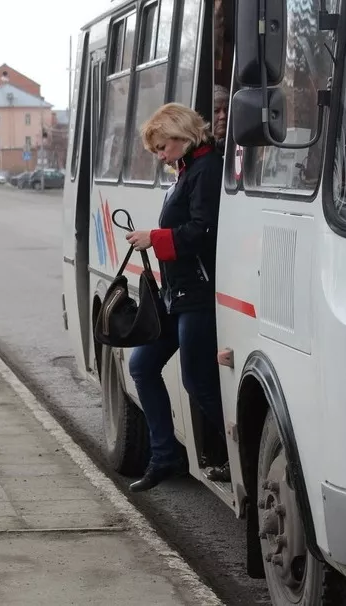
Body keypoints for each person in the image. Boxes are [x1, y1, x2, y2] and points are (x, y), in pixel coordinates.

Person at [122, 103, 229, 492]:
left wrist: (157, 238)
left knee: (198, 381)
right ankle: (165, 456)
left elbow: (204, 231)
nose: (161, 156)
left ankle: (238, 456)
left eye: (162, 147)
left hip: (198, 295)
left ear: (182, 135)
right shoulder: (190, 170)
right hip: (178, 294)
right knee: (142, 365)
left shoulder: (207, 169)